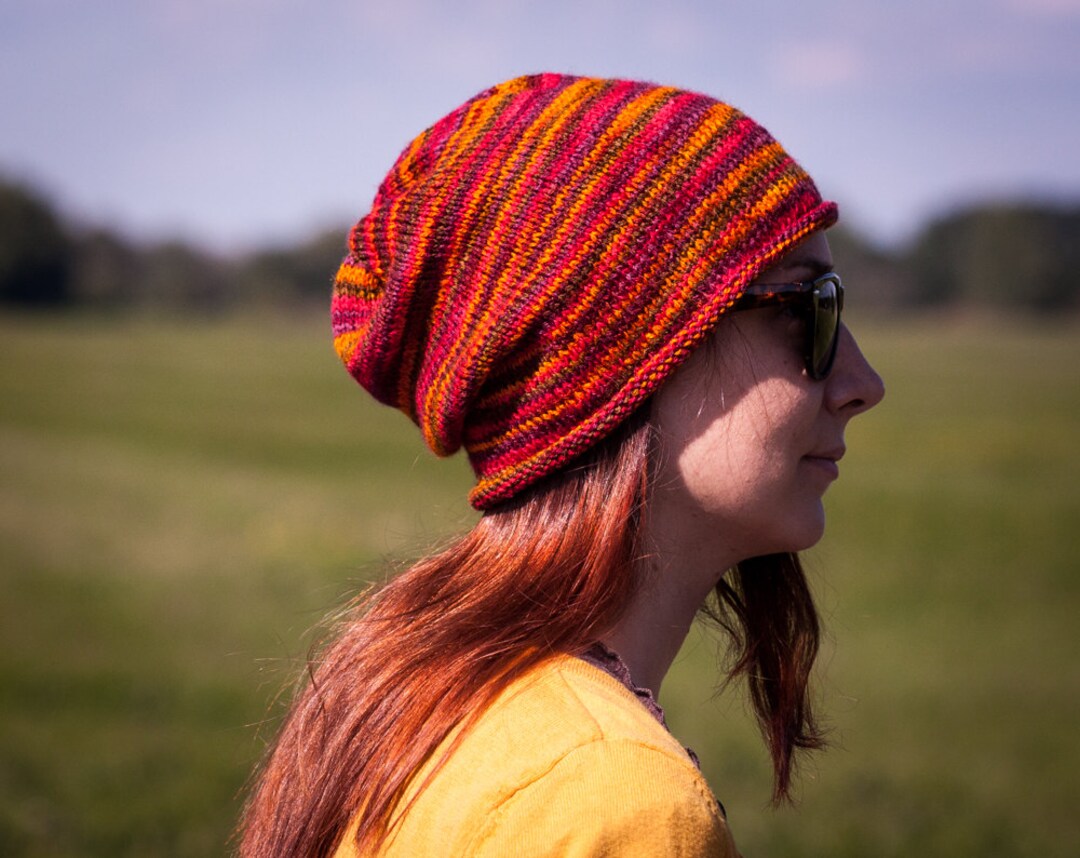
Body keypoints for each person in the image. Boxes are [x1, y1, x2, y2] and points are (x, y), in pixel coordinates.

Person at [239, 73, 884, 857]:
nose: (861, 384)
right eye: (802, 307)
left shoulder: (411, 688)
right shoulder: (610, 801)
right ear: (617, 353)